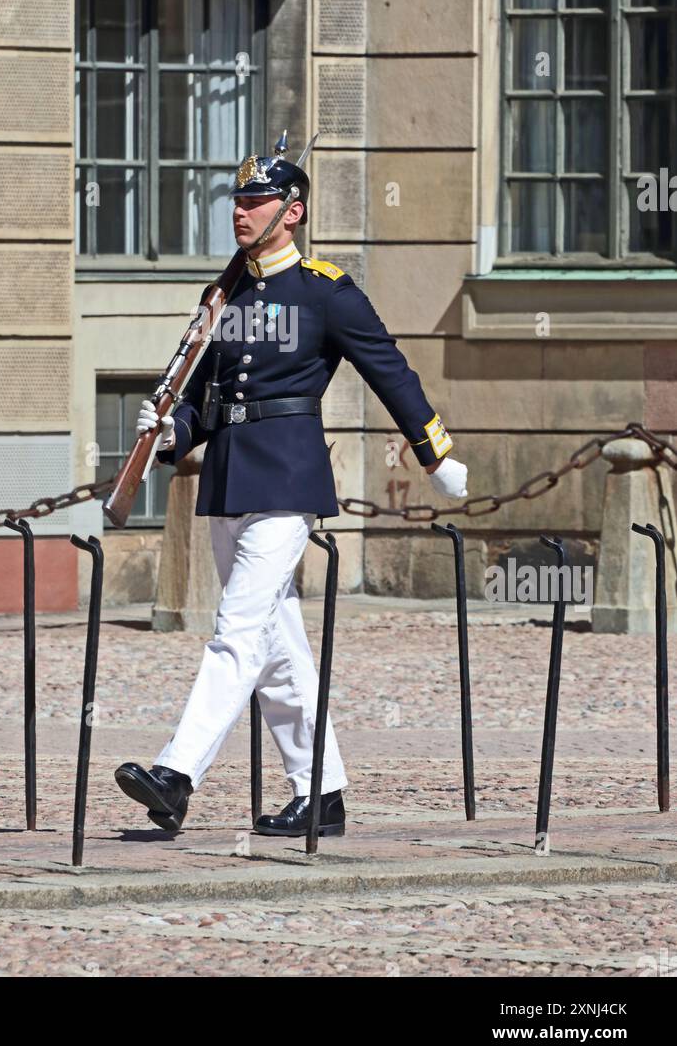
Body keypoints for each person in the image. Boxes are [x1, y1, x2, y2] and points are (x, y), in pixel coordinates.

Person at [114, 140, 469, 838]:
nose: (241, 214)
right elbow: (208, 395)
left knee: (236, 632)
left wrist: (434, 452)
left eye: (255, 202)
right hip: (228, 478)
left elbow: (388, 370)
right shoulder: (227, 293)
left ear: (293, 211)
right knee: (278, 649)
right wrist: (170, 434)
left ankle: (177, 774)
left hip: (285, 478)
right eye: (238, 202)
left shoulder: (324, 293)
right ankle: (322, 792)